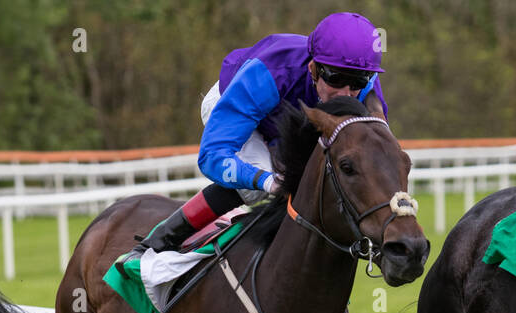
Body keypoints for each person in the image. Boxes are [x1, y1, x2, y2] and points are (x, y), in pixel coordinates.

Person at [133, 11, 389, 255]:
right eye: (335, 78)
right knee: (262, 185)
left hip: (286, 120)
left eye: (357, 82)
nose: (346, 93)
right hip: (235, 105)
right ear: (313, 67)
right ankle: (159, 240)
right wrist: (266, 180)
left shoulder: (363, 79)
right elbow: (212, 157)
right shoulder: (268, 73)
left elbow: (376, 150)